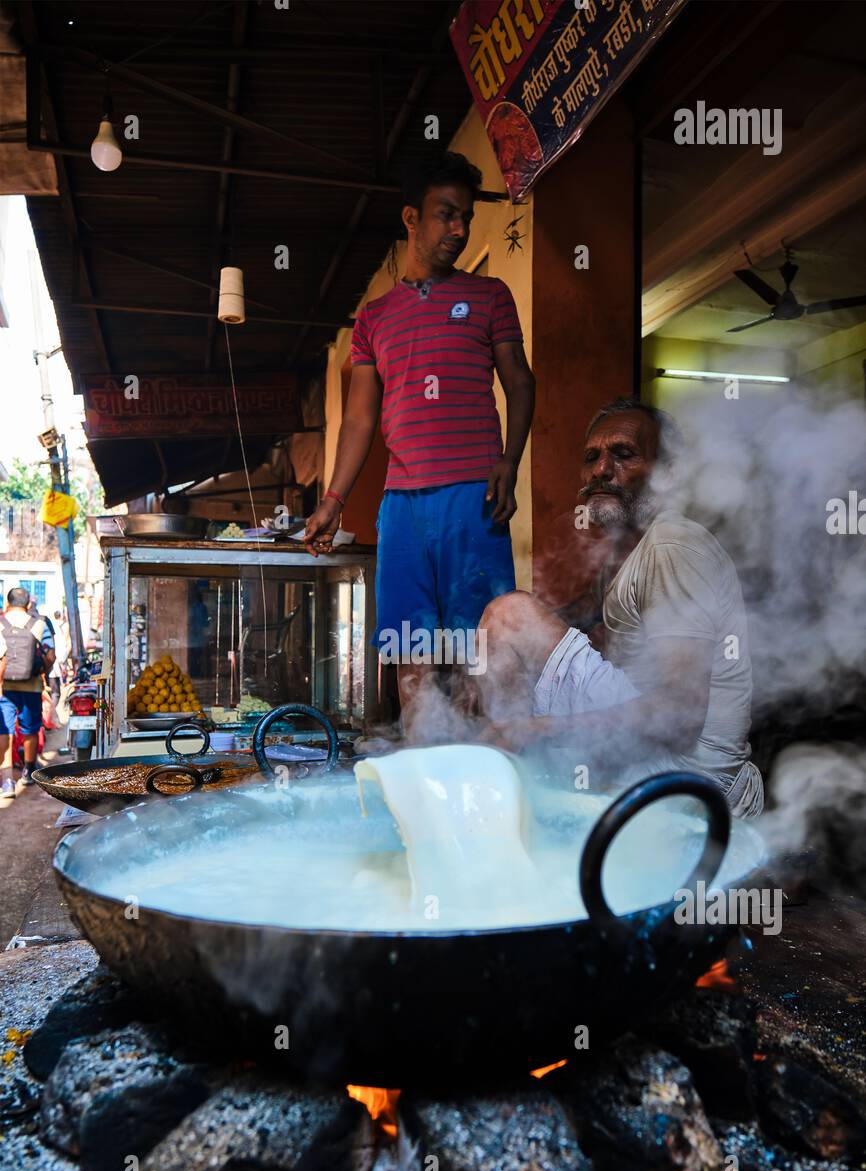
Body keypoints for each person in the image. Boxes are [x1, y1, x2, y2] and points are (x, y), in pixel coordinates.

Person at [303, 150, 535, 736]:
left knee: (481, 656)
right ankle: (424, 785)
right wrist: (332, 499)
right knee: (414, 661)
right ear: (412, 218)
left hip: (472, 501)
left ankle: (489, 787)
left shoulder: (490, 297)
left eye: (464, 218)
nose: (458, 229)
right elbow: (359, 421)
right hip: (403, 509)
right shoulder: (373, 319)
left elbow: (520, 383)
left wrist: (510, 459)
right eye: (446, 215)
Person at [476, 397, 764, 818]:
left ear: (668, 473)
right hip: (654, 752)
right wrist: (482, 664)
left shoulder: (674, 544)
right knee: (503, 622)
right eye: (591, 457)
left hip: (694, 775)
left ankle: (515, 788)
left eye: (623, 455)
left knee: (509, 615)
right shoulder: (625, 550)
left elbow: (678, 715)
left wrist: (533, 729)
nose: (601, 470)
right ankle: (517, 781)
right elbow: (577, 616)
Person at [0, 586, 55, 796]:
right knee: (30, 728)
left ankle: (7, 782)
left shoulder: (0, 622)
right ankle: (28, 770)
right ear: (28, 604)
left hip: (5, 687)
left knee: (4, 730)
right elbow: (51, 655)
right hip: (32, 685)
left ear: (8, 603)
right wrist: (43, 671)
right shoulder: (39, 623)